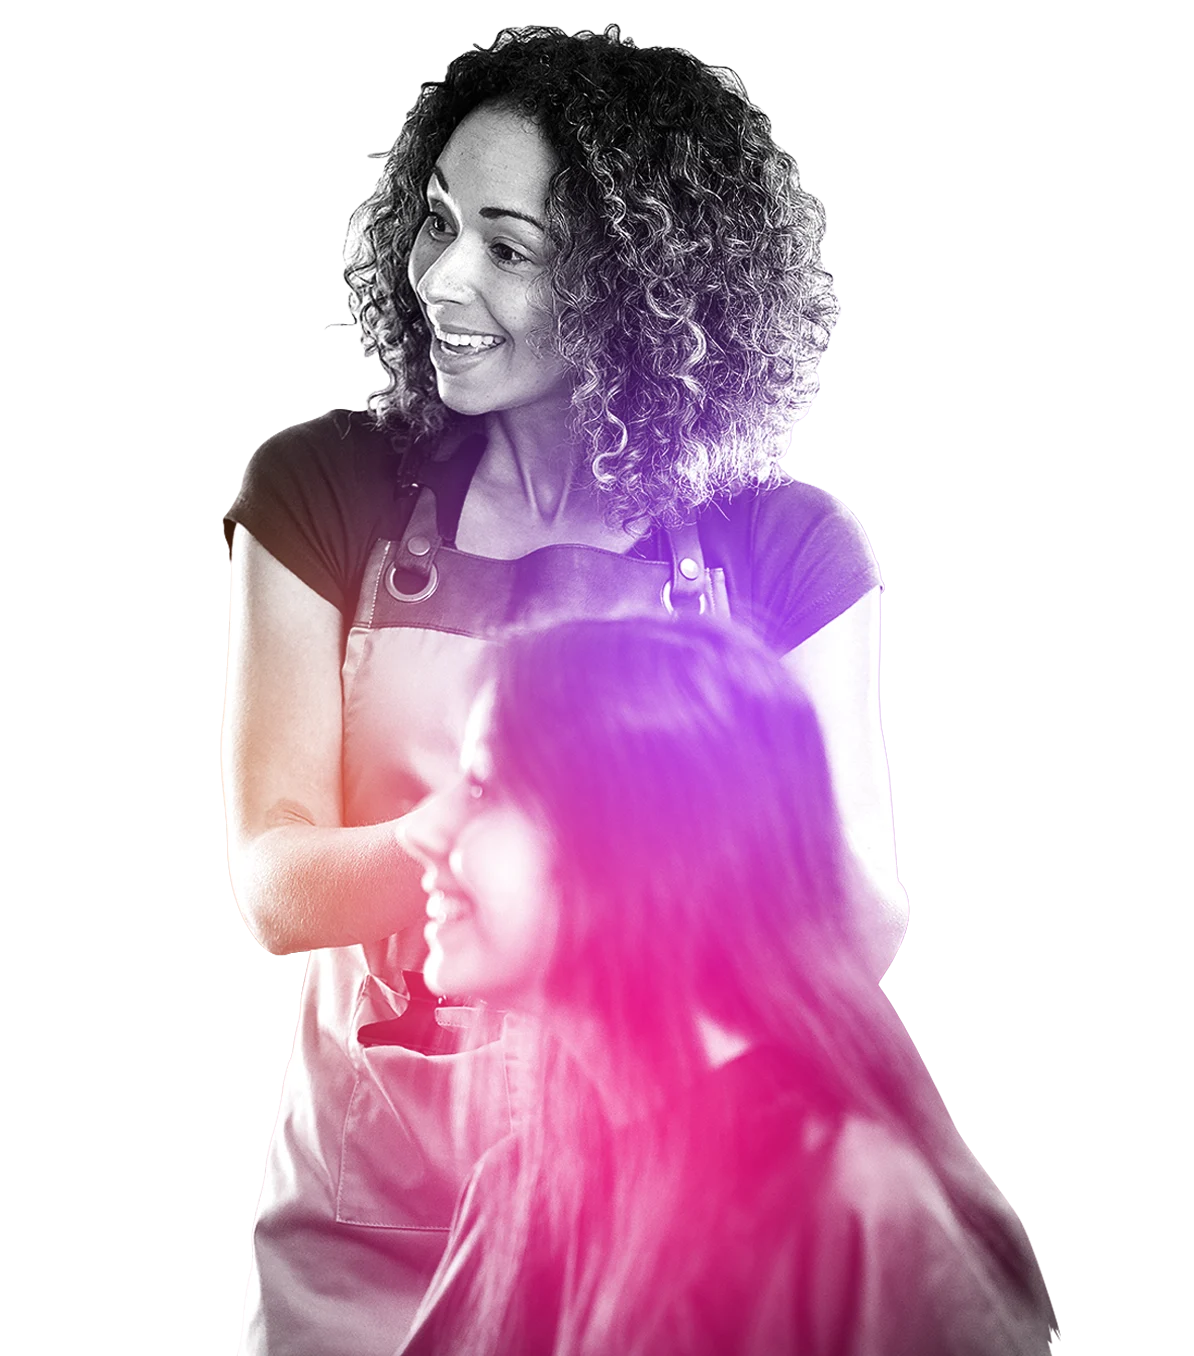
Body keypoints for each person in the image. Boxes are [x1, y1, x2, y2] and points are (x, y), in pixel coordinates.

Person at [222, 24, 907, 1355]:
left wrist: (538, 853)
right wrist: (552, 831)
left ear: (643, 285)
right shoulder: (326, 499)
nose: (441, 280)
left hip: (662, 1231)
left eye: (508, 248)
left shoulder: (780, 552)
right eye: (433, 223)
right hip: (361, 1244)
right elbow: (275, 885)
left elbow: (855, 918)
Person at [398, 616, 1058, 1356]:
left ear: (639, 839)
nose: (418, 830)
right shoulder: (518, 1193)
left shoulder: (860, 1208)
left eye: (484, 787)